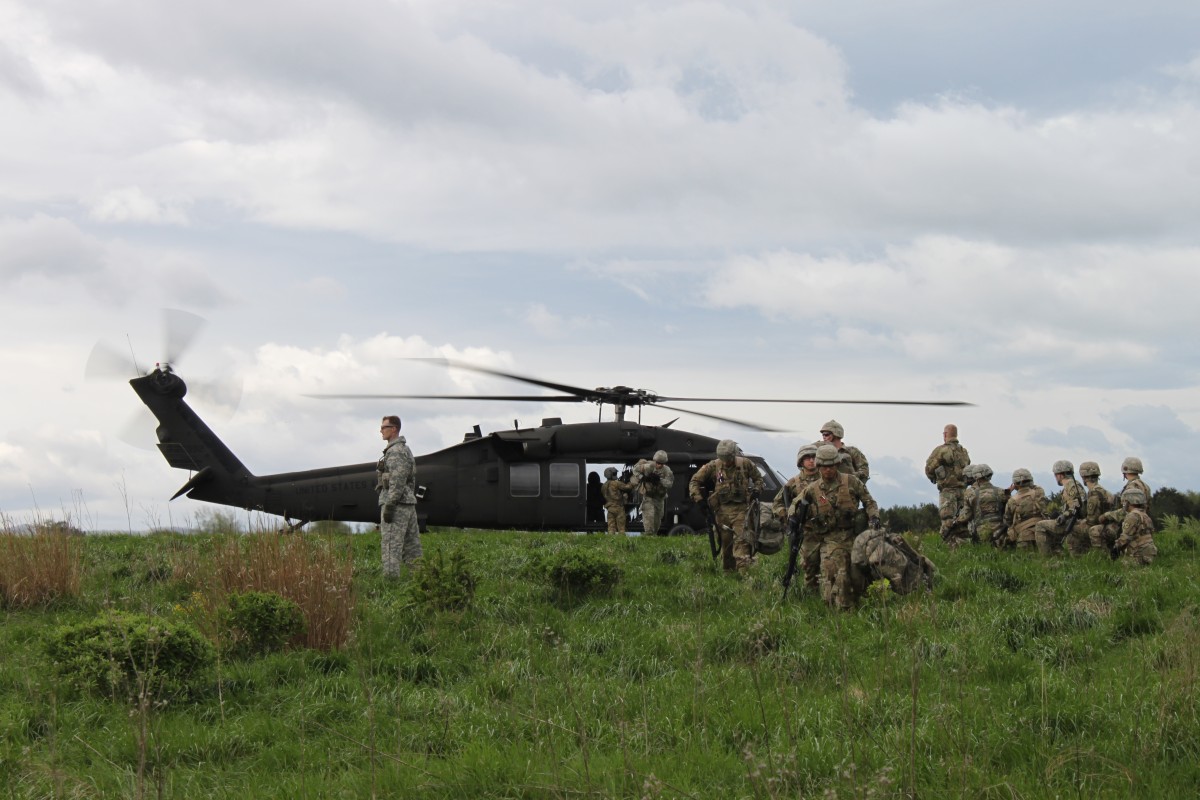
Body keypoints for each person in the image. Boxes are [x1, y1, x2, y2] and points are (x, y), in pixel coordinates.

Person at [795, 444, 880, 610]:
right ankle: (840, 611)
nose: (828, 470)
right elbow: (795, 506)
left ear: (837, 465)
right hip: (830, 539)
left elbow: (869, 502)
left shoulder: (851, 481)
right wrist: (794, 517)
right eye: (824, 467)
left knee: (859, 575)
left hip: (855, 536)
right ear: (819, 467)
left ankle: (863, 605)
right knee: (833, 574)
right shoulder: (812, 490)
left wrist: (874, 517)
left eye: (831, 466)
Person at [689, 439, 764, 573]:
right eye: (723, 458)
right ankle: (729, 576)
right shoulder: (713, 466)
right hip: (721, 512)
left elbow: (759, 479)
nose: (726, 462)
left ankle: (745, 576)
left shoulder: (745, 464)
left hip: (742, 511)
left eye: (728, 458)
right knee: (725, 546)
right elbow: (694, 481)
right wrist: (699, 500)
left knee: (742, 542)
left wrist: (757, 491)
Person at [772, 443, 821, 591]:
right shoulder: (794, 482)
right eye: (807, 458)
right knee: (809, 564)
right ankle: (811, 596)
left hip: (827, 528)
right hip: (806, 531)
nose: (811, 460)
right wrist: (788, 517)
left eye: (814, 457)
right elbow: (777, 503)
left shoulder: (825, 479)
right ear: (801, 461)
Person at [377, 415, 420, 577]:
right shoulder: (404, 450)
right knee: (412, 547)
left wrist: (390, 505)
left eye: (383, 427)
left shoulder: (395, 451)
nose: (380, 430)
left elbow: (397, 481)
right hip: (407, 504)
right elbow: (408, 481)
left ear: (393, 429)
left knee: (390, 546)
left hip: (397, 505)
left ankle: (390, 582)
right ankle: (418, 580)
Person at [924, 424, 971, 546]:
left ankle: (948, 548)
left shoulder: (941, 450)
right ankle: (963, 548)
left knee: (947, 521)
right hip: (963, 491)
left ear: (945, 434)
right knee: (962, 522)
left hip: (948, 492)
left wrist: (934, 477)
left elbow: (929, 468)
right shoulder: (964, 452)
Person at [1035, 460, 1086, 556]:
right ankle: (1057, 552)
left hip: (1073, 522)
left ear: (1060, 475)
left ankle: (1046, 556)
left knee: (1040, 525)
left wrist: (1064, 515)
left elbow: (1078, 505)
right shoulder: (1071, 485)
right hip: (1071, 520)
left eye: (1055, 475)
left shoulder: (1071, 485)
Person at [957, 463, 1007, 546]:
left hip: (982, 533)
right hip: (1001, 532)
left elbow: (966, 516)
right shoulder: (1001, 492)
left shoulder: (970, 494)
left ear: (976, 478)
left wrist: (956, 521)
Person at [1001, 468, 1048, 551]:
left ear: (1015, 484)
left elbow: (1007, 521)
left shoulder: (1012, 501)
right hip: (1043, 534)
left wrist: (1008, 494)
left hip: (1024, 538)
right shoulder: (1038, 493)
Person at [631, 450, 674, 535]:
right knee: (649, 518)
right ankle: (648, 536)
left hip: (659, 498)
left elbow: (669, 484)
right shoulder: (648, 466)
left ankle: (652, 536)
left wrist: (659, 480)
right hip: (648, 497)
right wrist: (643, 477)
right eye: (657, 463)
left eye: (661, 464)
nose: (659, 465)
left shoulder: (667, 471)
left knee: (657, 521)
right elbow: (635, 470)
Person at [1079, 461, 1116, 554]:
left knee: (1072, 530)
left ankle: (1078, 557)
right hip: (1111, 526)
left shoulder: (1093, 494)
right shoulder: (1108, 493)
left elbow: (1091, 521)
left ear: (1083, 477)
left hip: (1100, 527)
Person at [1112, 488, 1156, 565]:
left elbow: (1125, 538)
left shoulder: (1132, 516)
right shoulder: (1145, 515)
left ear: (1127, 502)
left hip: (1139, 555)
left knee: (1118, 566)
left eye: (1124, 502)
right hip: (1149, 554)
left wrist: (1115, 548)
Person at [602, 467, 633, 535]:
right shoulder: (616, 483)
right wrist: (632, 481)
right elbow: (628, 488)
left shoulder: (604, 486)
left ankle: (611, 543)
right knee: (621, 529)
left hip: (610, 508)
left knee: (611, 528)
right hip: (618, 508)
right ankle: (621, 543)